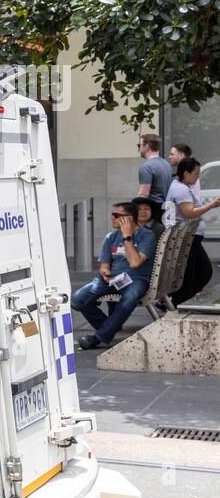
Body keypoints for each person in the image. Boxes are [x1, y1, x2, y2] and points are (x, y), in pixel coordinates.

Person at [73, 202, 158, 349]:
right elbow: (104, 265)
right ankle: (108, 327)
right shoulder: (110, 237)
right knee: (77, 299)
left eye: (117, 215)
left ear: (130, 218)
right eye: (112, 215)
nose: (112, 218)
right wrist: (105, 272)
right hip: (112, 279)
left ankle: (98, 337)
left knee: (129, 298)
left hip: (136, 279)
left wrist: (127, 237)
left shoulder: (147, 236)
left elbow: (135, 263)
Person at [165, 157, 220, 307]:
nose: (197, 177)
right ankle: (178, 302)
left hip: (189, 236)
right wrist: (212, 205)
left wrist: (205, 219)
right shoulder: (181, 189)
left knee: (195, 272)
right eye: (196, 174)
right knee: (199, 272)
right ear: (186, 173)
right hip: (187, 237)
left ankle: (178, 300)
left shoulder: (180, 186)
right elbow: (189, 213)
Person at [136, 133, 173, 205]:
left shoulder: (146, 167)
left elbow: (143, 195)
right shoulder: (166, 164)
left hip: (153, 210)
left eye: (139, 145)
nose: (138, 149)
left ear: (146, 147)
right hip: (165, 209)